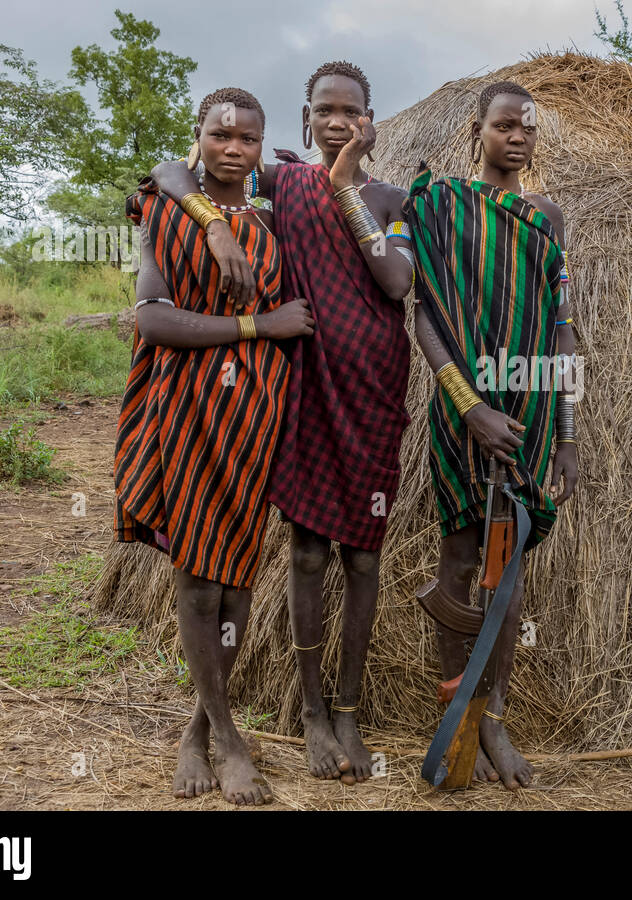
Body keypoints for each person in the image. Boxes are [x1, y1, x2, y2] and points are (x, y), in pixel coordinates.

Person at [150, 61, 412, 784]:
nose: (337, 121)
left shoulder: (391, 198)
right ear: (303, 121)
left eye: (351, 111)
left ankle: (349, 709)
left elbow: (395, 280)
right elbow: (172, 171)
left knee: (364, 559)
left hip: (374, 392)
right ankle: (309, 714)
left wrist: (346, 182)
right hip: (304, 388)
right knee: (306, 554)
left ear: (369, 119)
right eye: (324, 110)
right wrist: (213, 227)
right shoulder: (273, 183)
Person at [115, 88, 315, 804]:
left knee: (237, 579)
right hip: (187, 411)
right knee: (198, 580)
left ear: (262, 146)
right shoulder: (166, 213)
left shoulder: (274, 215)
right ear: (199, 136)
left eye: (247, 139)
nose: (233, 148)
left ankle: (200, 727)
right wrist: (258, 324)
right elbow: (157, 322)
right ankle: (229, 740)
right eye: (219, 135)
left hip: (256, 414)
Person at [404, 80, 580, 790]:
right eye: (504, 125)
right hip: (464, 407)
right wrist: (469, 404)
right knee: (458, 562)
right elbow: (423, 312)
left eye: (527, 129)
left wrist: (566, 434)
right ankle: (461, 716)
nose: (518, 137)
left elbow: (562, 327)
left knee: (506, 576)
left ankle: (495, 718)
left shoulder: (547, 217)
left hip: (532, 410)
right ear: (477, 129)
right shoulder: (441, 204)